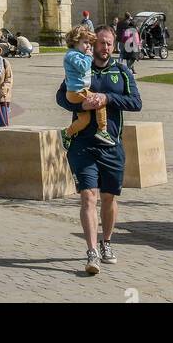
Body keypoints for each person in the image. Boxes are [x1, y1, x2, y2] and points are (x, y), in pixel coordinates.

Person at [56, 25, 142, 274]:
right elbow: (61, 97)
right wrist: (82, 104)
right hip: (83, 144)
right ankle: (92, 251)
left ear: (113, 46)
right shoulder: (81, 68)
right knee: (88, 196)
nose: (105, 48)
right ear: (93, 44)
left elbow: (136, 102)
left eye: (109, 44)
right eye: (101, 43)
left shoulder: (121, 71)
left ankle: (107, 242)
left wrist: (106, 98)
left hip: (112, 144)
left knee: (108, 198)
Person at [60, 25, 115, 149]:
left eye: (90, 43)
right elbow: (83, 67)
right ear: (75, 42)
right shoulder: (72, 55)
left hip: (77, 91)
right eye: (85, 42)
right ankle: (102, 130)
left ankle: (67, 133)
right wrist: (89, 56)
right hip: (76, 92)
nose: (89, 46)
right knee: (99, 101)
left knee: (84, 120)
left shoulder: (77, 54)